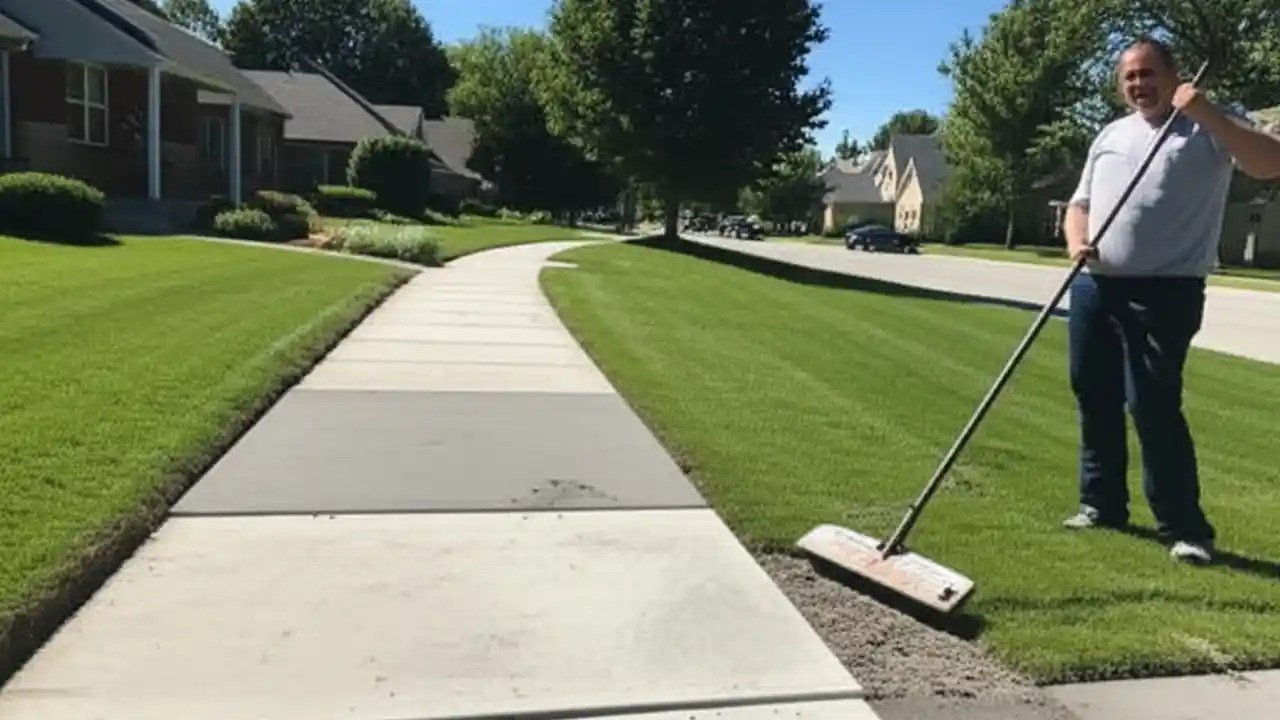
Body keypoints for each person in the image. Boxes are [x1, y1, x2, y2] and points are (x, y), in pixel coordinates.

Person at [1061, 37, 1280, 564]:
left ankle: (1185, 528)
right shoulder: (1111, 134)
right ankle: (1102, 504)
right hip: (1095, 285)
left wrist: (1203, 110)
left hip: (1166, 290)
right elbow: (1079, 205)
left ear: (1173, 74)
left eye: (1148, 73)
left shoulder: (1210, 125)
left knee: (1152, 405)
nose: (1139, 84)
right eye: (1130, 76)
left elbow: (1268, 162)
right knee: (1094, 396)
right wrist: (1077, 242)